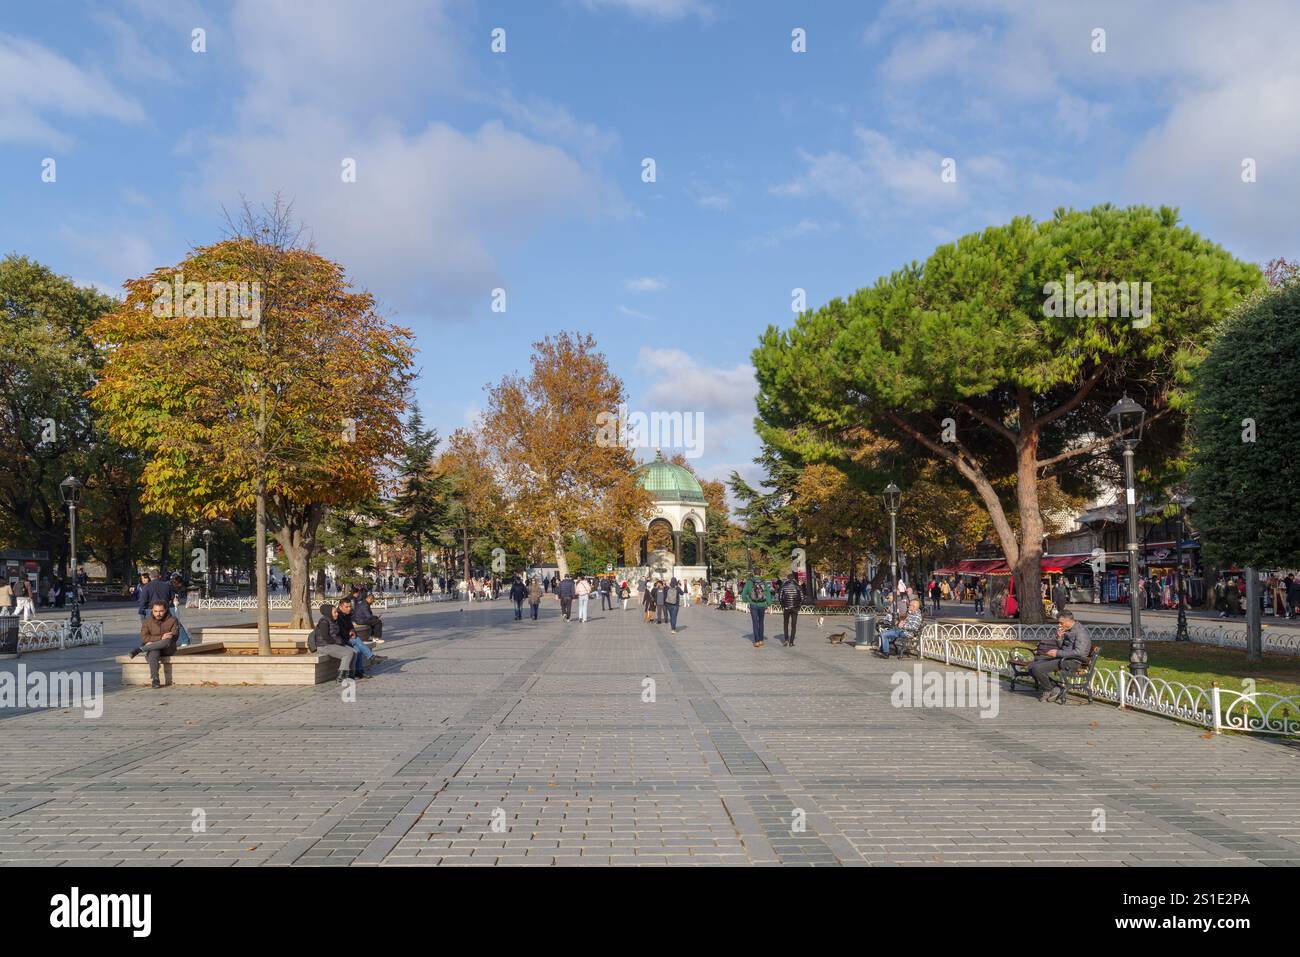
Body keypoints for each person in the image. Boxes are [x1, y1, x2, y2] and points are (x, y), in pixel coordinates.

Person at [1028, 611, 1092, 703]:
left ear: (1068, 621)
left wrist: (1058, 653)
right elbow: (1063, 647)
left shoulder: (1080, 632)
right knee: (1031, 667)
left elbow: (1080, 652)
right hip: (1063, 659)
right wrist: (1059, 638)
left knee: (1037, 669)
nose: (1059, 625)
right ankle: (1056, 688)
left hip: (1073, 662)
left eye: (1061, 623)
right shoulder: (1069, 630)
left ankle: (1049, 689)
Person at [128, 600, 180, 688]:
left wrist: (156, 640)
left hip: (167, 648)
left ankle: (140, 649)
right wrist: (161, 637)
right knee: (154, 651)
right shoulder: (147, 621)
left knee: (168, 640)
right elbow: (144, 637)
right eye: (155, 611)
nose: (158, 614)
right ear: (152, 610)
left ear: (165, 610)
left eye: (161, 611)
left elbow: (175, 636)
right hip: (153, 648)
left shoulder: (173, 620)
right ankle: (155, 679)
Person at [310, 602, 358, 682]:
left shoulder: (333, 620)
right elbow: (326, 637)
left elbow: (338, 633)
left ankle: (350, 674)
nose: (337, 614)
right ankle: (341, 676)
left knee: (354, 652)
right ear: (329, 613)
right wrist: (338, 642)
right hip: (324, 646)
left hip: (333, 644)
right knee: (348, 653)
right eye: (335, 612)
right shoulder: (324, 622)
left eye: (336, 612)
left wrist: (343, 640)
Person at [334, 597, 371, 678]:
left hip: (347, 638)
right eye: (346, 607)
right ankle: (371, 656)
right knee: (356, 641)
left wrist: (352, 631)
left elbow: (351, 627)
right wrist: (349, 634)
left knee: (358, 650)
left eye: (350, 606)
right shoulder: (337, 616)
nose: (349, 608)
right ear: (340, 607)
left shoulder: (347, 615)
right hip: (340, 641)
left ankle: (359, 671)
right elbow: (338, 632)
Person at [740, 573, 773, 647]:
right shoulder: (763, 582)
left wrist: (747, 600)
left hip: (753, 604)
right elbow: (767, 593)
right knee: (761, 622)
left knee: (755, 622)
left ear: (754, 573)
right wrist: (769, 603)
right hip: (762, 604)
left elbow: (744, 593)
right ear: (760, 573)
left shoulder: (749, 582)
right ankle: (761, 640)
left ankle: (757, 641)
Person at [778, 572, 802, 647]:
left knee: (785, 624)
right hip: (795, 608)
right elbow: (802, 597)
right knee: (793, 625)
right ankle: (791, 642)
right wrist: (798, 606)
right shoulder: (798, 587)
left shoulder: (784, 586)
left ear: (787, 578)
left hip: (786, 608)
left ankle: (786, 640)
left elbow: (780, 597)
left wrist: (783, 605)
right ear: (794, 578)